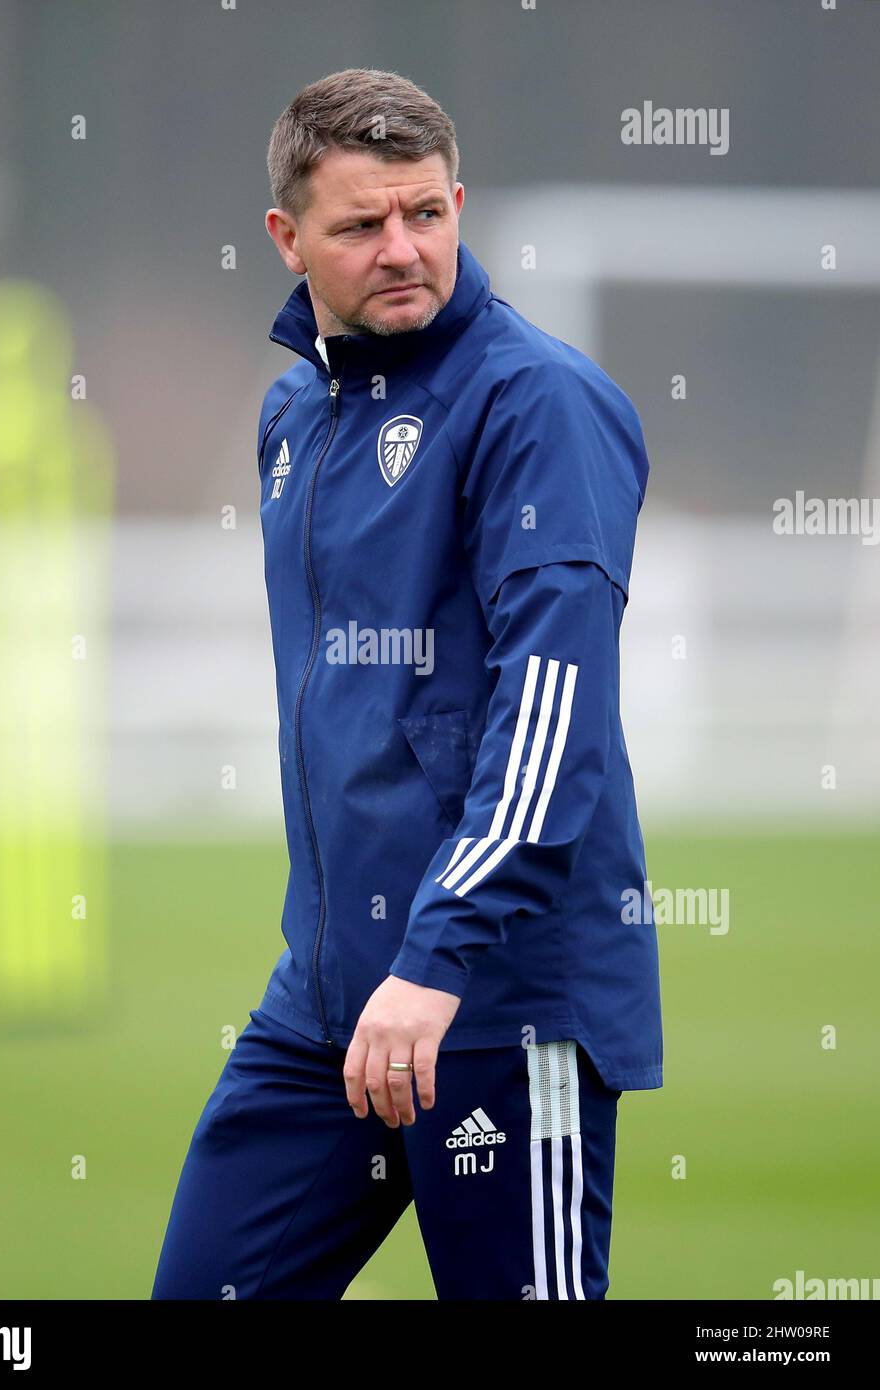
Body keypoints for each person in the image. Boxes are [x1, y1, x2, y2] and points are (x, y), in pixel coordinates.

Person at [151, 66, 662, 1301]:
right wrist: (360, 971)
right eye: (360, 224)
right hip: (325, 1008)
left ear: (458, 204)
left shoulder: (536, 403)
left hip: (494, 1003)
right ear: (285, 239)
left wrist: (432, 964)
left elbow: (550, 720)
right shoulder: (296, 415)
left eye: (425, 214)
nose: (402, 248)